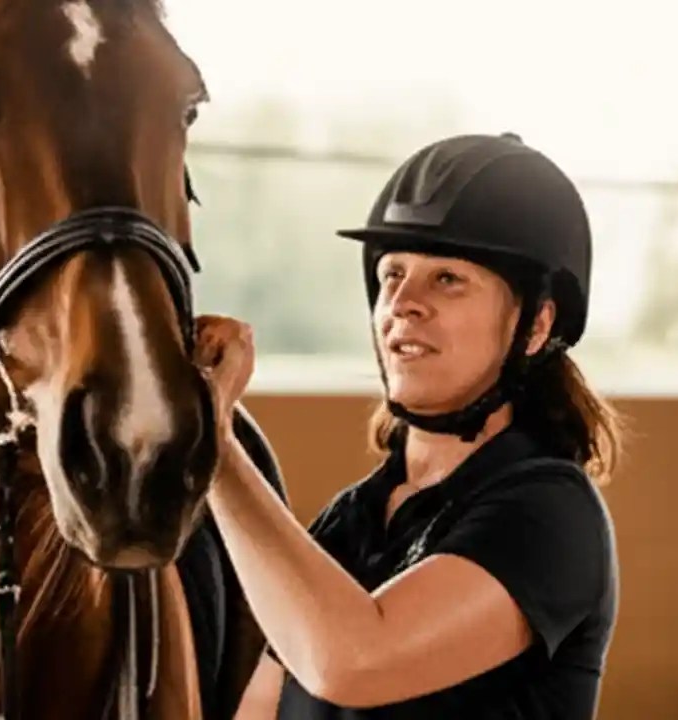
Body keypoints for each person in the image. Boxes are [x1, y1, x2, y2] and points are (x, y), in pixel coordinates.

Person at [193, 132, 622, 719]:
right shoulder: (352, 518)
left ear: (537, 324)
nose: (403, 302)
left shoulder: (549, 512)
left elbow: (352, 661)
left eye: (447, 279)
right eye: (393, 275)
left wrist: (213, 441)